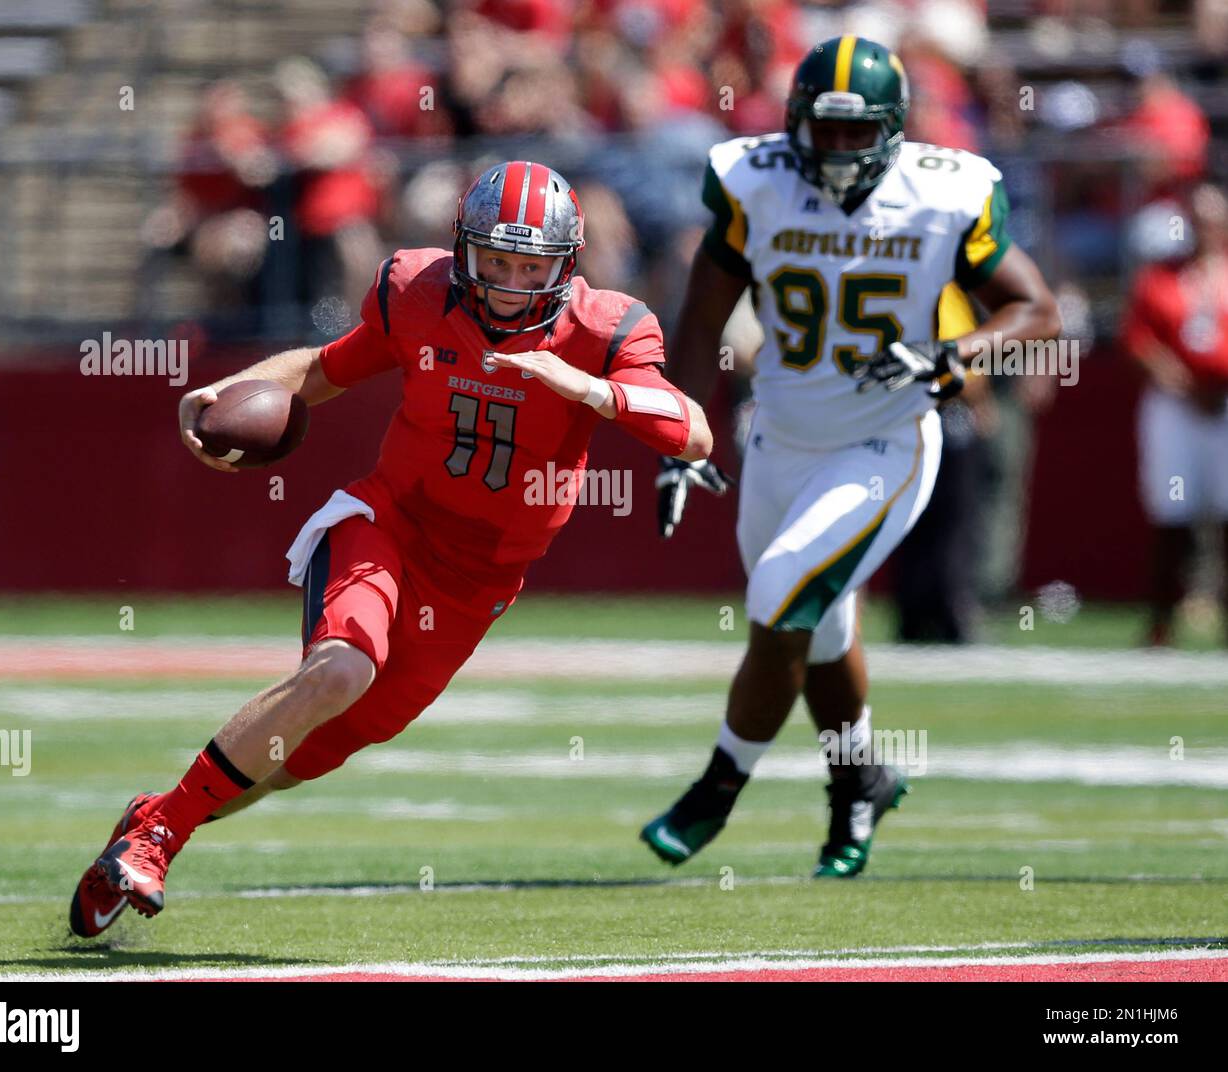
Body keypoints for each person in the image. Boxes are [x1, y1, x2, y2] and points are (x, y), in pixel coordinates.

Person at [69, 161, 713, 936]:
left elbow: (694, 429)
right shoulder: (417, 289)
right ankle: (157, 841)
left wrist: (589, 390)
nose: (509, 282)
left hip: (477, 585)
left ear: (565, 265)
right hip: (389, 523)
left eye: (529, 265)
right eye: (495, 261)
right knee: (341, 667)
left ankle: (154, 818)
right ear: (464, 249)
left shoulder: (607, 328)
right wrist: (239, 385)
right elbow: (326, 368)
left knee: (290, 762)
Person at [642, 35, 1061, 877]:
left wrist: (959, 354)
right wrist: (679, 433)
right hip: (779, 436)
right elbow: (699, 316)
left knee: (782, 594)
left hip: (886, 439)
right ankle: (859, 781)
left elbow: (1037, 311)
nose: (836, 151)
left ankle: (719, 785)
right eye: (821, 132)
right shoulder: (751, 180)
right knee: (820, 625)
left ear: (893, 131)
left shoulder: (946, 193)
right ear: (794, 122)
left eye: (854, 133)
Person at [1124, 183, 1228, 647]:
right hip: (1175, 404)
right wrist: (1181, 382)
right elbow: (1140, 337)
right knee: (1173, 512)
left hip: (1224, 403)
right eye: (1197, 218)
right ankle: (1162, 622)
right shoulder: (1162, 276)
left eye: (1213, 218)